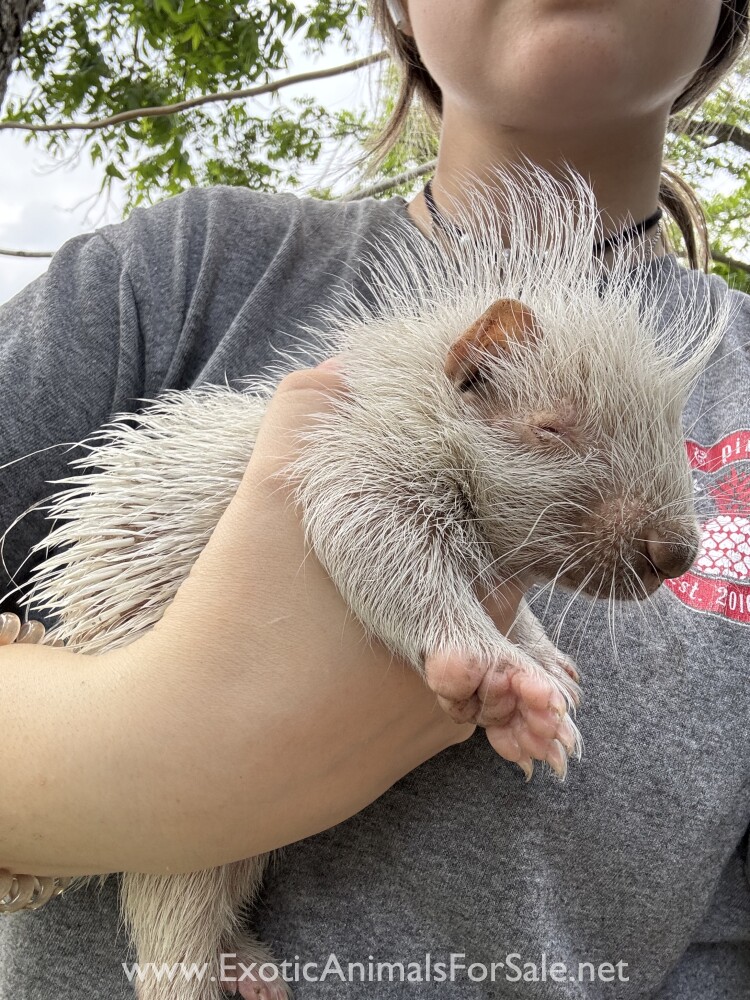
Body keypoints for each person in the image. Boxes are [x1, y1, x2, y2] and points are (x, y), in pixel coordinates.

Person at [0, 0, 748, 996]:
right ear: (476, 371)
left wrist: (511, 656)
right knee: (189, 888)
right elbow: (382, 528)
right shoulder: (179, 274)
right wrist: (144, 737)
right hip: (143, 645)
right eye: (561, 438)